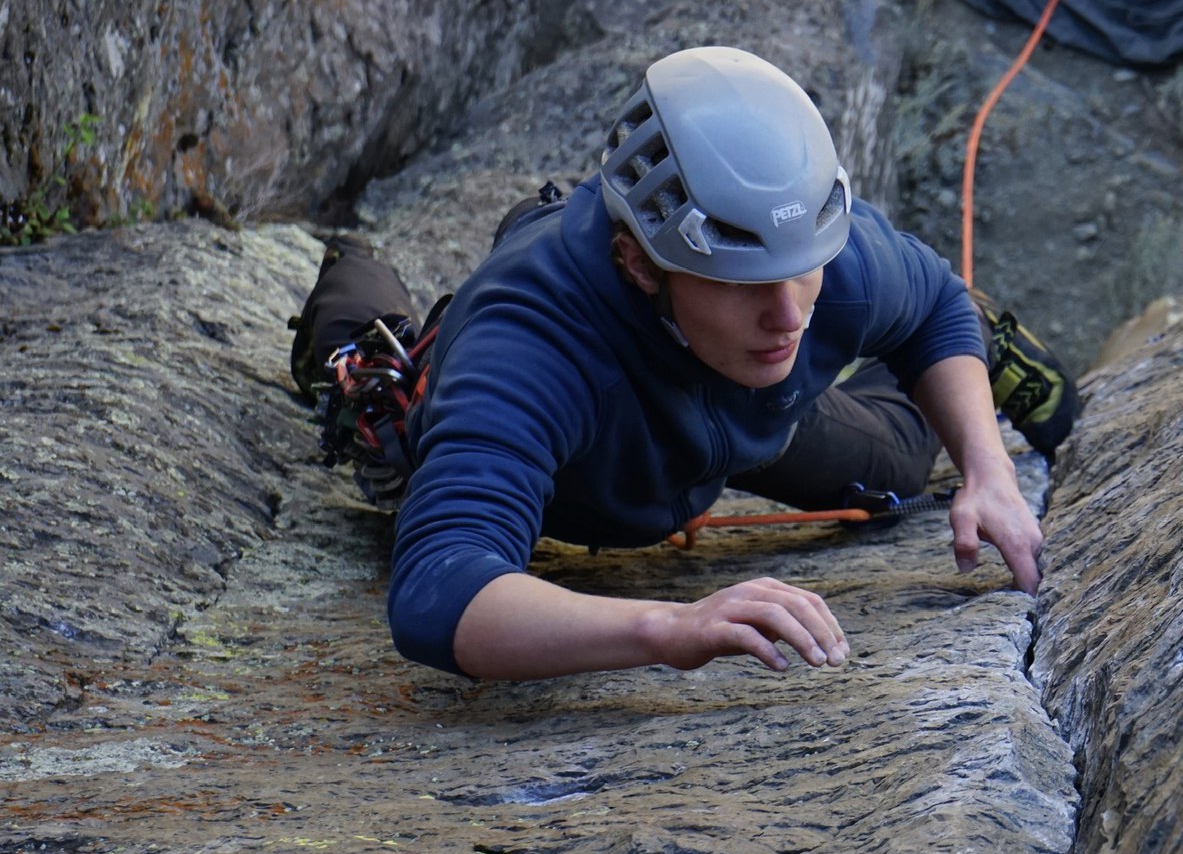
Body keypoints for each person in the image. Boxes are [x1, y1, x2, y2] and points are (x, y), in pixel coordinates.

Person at [291, 47, 1076, 682]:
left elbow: (936, 303)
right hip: (601, 438)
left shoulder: (816, 263)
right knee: (368, 383)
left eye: (803, 271)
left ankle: (972, 365)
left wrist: (987, 470)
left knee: (900, 469)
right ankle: (349, 268)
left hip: (739, 408)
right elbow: (437, 588)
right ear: (637, 263)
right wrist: (670, 626)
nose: (790, 312)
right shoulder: (530, 350)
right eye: (743, 286)